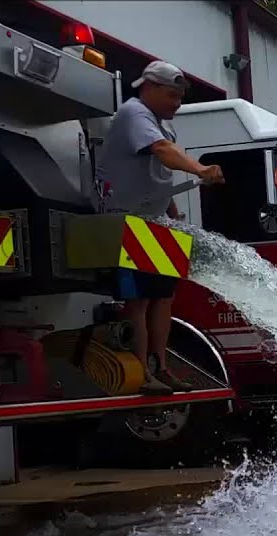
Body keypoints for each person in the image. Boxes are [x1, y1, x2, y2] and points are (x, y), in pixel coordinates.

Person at [96, 60, 225, 395]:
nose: (177, 105)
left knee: (164, 297)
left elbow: (158, 175)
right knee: (138, 301)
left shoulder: (161, 122)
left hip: (155, 222)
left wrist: (173, 212)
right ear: (148, 87)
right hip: (127, 221)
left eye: (180, 98)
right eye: (172, 96)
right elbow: (161, 152)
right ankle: (141, 373)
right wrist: (199, 169)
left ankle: (161, 367)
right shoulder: (133, 113)